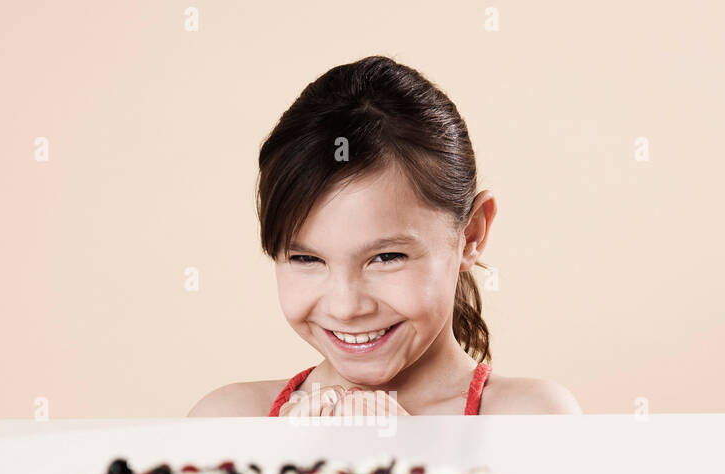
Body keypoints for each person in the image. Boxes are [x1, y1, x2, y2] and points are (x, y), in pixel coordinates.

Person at [188, 55, 581, 419]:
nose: (345, 307)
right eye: (306, 259)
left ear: (472, 233)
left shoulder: (531, 418)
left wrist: (404, 460)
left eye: (387, 257)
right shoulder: (231, 422)